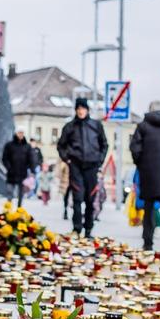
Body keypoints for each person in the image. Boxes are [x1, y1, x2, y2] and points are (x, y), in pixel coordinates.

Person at [129, 100, 160, 256]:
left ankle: (148, 243)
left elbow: (135, 148)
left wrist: (141, 164)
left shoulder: (143, 126)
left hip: (149, 174)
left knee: (149, 209)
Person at [56, 97, 108, 238]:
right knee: (77, 198)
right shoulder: (70, 127)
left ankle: (89, 229)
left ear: (87, 110)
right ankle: (77, 228)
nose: (81, 111)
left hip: (92, 166)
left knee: (90, 199)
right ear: (76, 110)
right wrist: (67, 158)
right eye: (78, 109)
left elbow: (104, 144)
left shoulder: (96, 126)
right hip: (76, 166)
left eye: (83, 109)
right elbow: (61, 145)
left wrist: (99, 161)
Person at [0, 130, 42, 208]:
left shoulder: (27, 146)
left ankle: (19, 209)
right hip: (11, 172)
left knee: (21, 193)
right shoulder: (9, 145)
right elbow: (5, 158)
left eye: (22, 133)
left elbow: (31, 159)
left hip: (22, 172)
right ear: (16, 133)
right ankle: (8, 209)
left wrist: (32, 170)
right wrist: (8, 167)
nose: (20, 135)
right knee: (10, 192)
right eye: (19, 133)